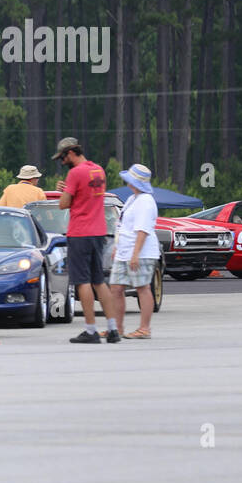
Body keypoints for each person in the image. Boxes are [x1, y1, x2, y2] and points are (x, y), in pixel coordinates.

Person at [53, 137, 119, 343]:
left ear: (71, 153)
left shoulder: (75, 173)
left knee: (83, 282)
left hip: (80, 232)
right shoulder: (98, 170)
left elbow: (63, 204)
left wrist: (64, 190)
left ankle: (91, 330)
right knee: (99, 281)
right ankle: (112, 329)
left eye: (63, 158)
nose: (62, 162)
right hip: (99, 231)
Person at [109, 163, 160, 339]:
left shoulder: (145, 201)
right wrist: (118, 247)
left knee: (142, 288)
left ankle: (144, 328)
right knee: (115, 287)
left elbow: (142, 230)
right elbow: (124, 225)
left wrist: (135, 254)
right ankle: (117, 327)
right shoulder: (133, 199)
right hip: (125, 251)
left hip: (141, 252)